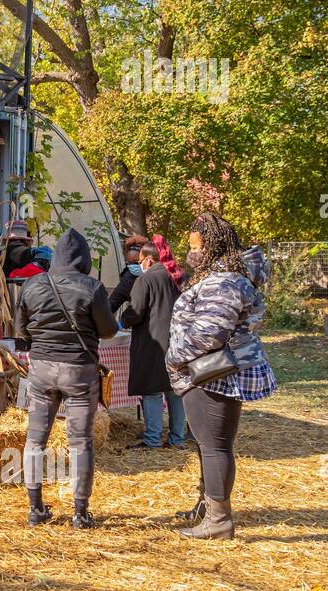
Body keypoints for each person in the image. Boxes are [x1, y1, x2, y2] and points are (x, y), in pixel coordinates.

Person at [166, 215, 277, 540]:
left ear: (211, 245)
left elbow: (209, 334)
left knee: (214, 446)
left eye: (194, 246)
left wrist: (174, 356)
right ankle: (207, 507)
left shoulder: (224, 282)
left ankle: (219, 520)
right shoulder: (226, 278)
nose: (190, 251)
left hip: (214, 374)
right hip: (213, 372)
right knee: (208, 445)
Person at [13, 228, 117, 529]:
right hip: (79, 370)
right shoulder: (92, 287)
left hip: (42, 368)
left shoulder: (33, 285)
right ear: (84, 259)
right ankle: (80, 513)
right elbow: (109, 331)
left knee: (35, 439)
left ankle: (35, 509)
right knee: (81, 442)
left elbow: (21, 329)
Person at [116, 241, 185, 449]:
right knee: (175, 390)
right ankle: (177, 439)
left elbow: (135, 312)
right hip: (179, 341)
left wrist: (119, 323)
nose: (139, 265)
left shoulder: (146, 279)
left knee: (152, 391)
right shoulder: (180, 278)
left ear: (148, 260)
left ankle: (152, 439)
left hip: (152, 342)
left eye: (139, 261)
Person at [108, 234, 149, 312]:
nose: (134, 267)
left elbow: (111, 305)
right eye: (130, 263)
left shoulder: (128, 278)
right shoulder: (159, 275)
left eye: (137, 262)